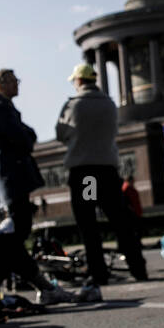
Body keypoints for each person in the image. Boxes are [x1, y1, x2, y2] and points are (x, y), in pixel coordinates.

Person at [56, 63, 148, 284]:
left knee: (89, 223)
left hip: (86, 173)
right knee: (120, 221)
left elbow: (61, 133)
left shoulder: (73, 105)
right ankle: (138, 268)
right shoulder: (109, 103)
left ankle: (98, 272)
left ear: (79, 81)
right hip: (107, 170)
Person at [0, 68, 46, 237]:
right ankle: (17, 263)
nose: (16, 85)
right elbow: (23, 138)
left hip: (12, 177)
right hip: (13, 176)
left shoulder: (2, 108)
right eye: (12, 81)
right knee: (20, 225)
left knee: (20, 223)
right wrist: (28, 137)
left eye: (17, 80)